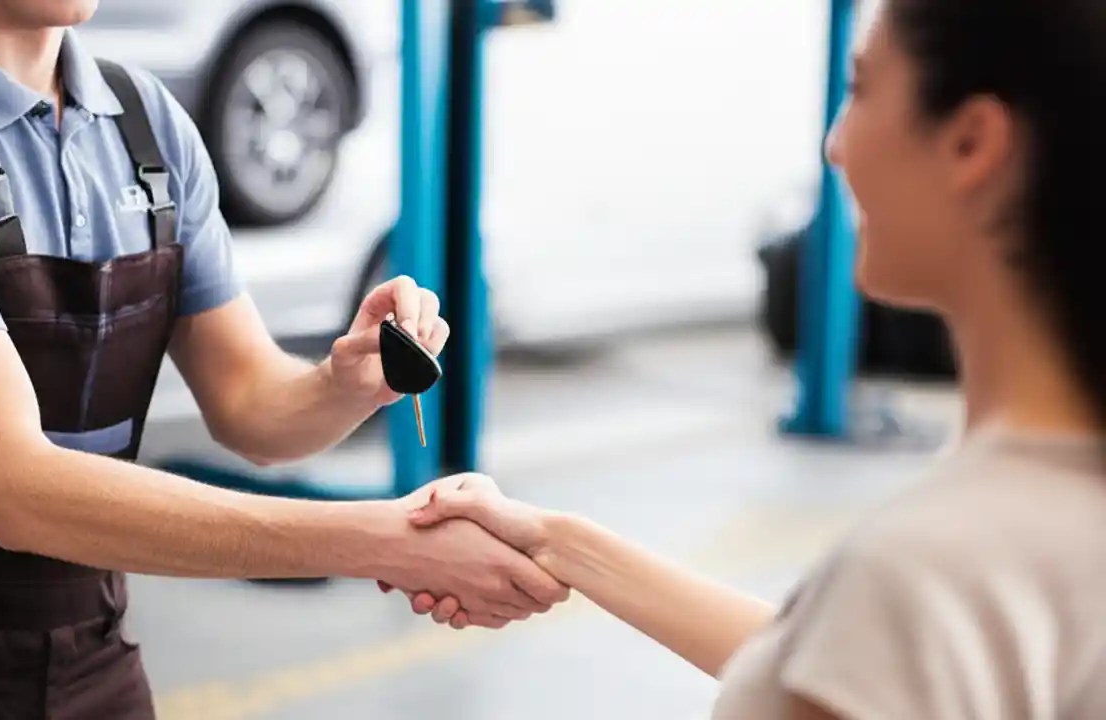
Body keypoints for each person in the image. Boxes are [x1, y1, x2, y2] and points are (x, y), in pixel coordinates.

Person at [0, 0, 565, 716]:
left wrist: (345, 383)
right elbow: (17, 491)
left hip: (93, 655)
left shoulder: (145, 125)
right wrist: (385, 545)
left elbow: (253, 408)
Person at [405, 0, 1106, 716]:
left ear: (970, 144)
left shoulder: (921, 571)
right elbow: (845, 666)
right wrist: (567, 544)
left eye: (860, 90)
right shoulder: (1030, 533)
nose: (837, 145)